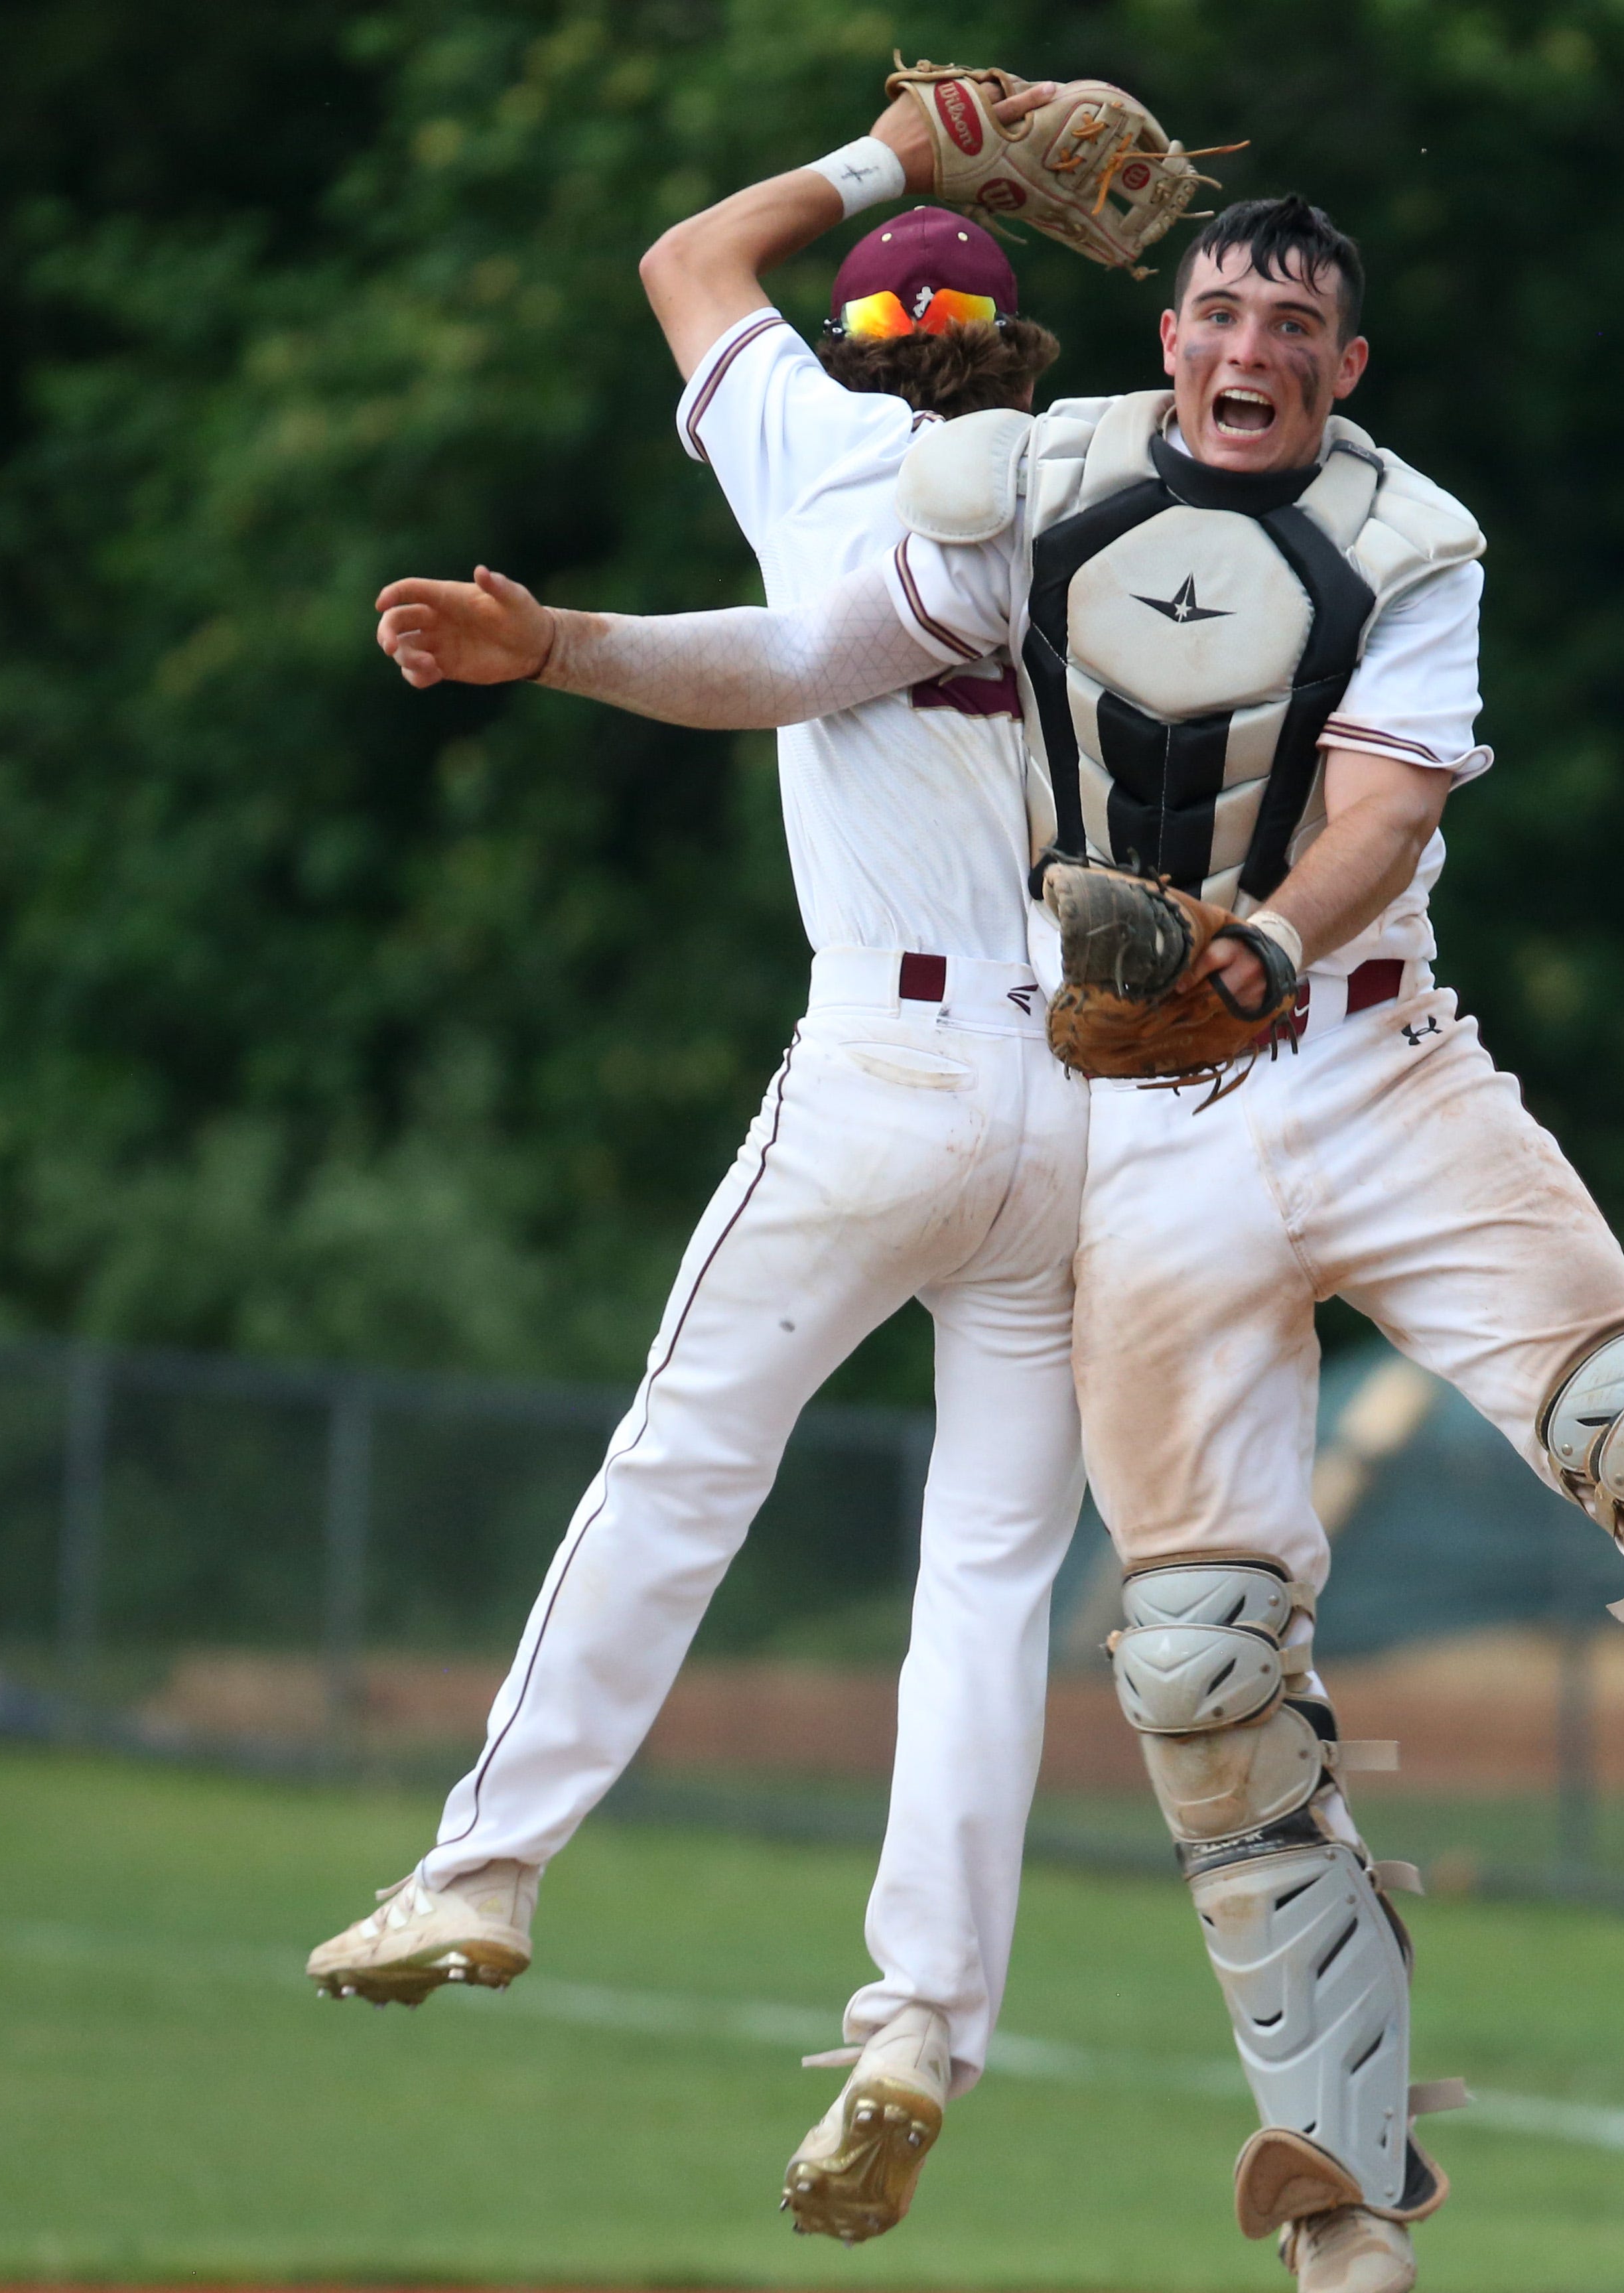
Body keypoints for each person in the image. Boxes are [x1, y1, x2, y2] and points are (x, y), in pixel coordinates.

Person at [383, 194, 1624, 2293]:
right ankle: (1345, 2185)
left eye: (1294, 316)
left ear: (1343, 369)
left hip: (1372, 1061)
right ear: (1165, 336)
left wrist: (1262, 951)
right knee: (1197, 1662)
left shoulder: (1414, 539)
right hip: (1144, 1127)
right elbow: (821, 655)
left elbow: (1383, 813)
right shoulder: (1035, 483)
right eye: (1218, 306)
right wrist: (559, 648)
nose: (1249, 340)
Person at [316, 86, 1102, 2249]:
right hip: (1087, 1102)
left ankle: (483, 1866)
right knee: (986, 1586)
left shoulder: (807, 441)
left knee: (683, 1464)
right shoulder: (1099, 494)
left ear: (861, 349)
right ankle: (920, 2024)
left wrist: (891, 154)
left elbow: (687, 269)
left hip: (888, 1068)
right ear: (1013, 357)